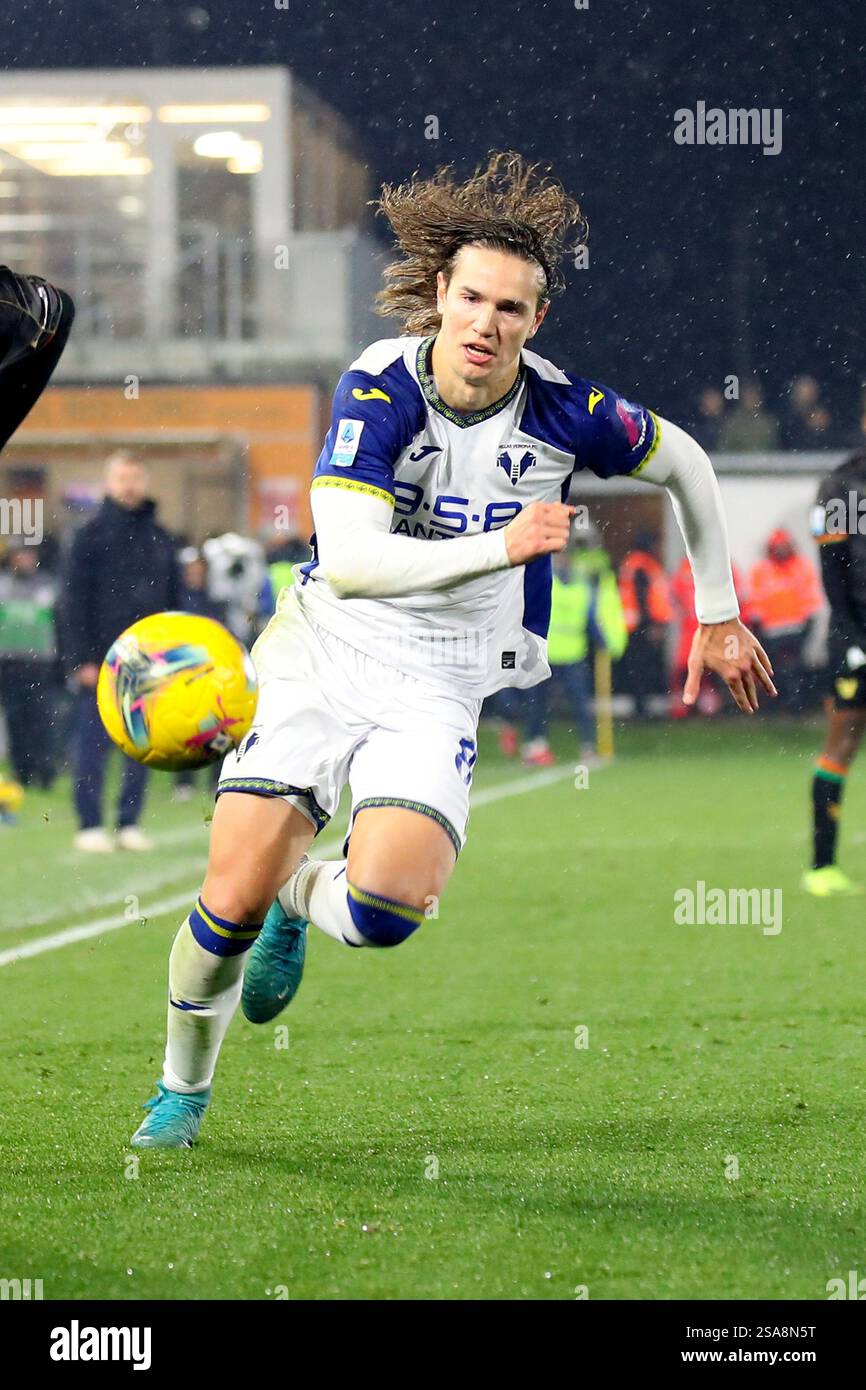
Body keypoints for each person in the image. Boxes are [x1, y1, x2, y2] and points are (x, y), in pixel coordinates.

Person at [129, 150, 775, 1149]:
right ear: (438, 295)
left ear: (534, 321)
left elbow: (684, 460)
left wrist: (716, 611)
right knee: (226, 900)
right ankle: (181, 1089)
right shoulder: (378, 390)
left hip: (440, 682)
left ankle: (307, 889)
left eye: (510, 309)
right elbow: (346, 560)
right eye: (470, 298)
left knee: (387, 908)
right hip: (326, 651)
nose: (485, 323)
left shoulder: (568, 411)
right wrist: (503, 543)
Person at [59, 453, 183, 852]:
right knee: (91, 747)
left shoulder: (161, 538)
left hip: (150, 662)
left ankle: (129, 822)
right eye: (120, 478)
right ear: (108, 483)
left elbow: (175, 602)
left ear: (144, 482)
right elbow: (72, 601)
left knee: (142, 747)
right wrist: (81, 659)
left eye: (134, 477)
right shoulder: (89, 535)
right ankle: (89, 824)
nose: (128, 485)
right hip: (99, 661)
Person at [803, 451, 866, 895]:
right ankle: (822, 867)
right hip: (855, 638)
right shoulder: (840, 486)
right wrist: (851, 637)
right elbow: (833, 575)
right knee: (842, 743)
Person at [515, 531, 627, 767]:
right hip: (545, 655)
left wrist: (601, 640)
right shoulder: (548, 584)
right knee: (538, 705)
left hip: (572, 655)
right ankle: (535, 745)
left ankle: (587, 746)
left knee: (580, 704)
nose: (563, 561)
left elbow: (589, 620)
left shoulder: (581, 588)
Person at [0, 542, 60, 788]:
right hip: (10, 663)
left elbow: (62, 624)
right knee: (15, 720)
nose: (24, 560)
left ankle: (44, 770)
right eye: (19, 555)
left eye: (28, 555)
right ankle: (21, 771)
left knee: (42, 719)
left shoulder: (48, 586)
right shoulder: (3, 585)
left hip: (40, 665)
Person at [748, 529, 822, 713]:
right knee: (772, 671)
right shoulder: (761, 571)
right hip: (770, 632)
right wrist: (758, 630)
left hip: (797, 630)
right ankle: (775, 705)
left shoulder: (801, 567)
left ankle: (798, 705)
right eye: (777, 547)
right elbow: (755, 602)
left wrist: (808, 627)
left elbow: (810, 600)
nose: (780, 551)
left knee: (797, 670)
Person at [618, 532, 672, 717]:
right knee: (642, 667)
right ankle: (642, 707)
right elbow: (642, 597)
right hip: (642, 626)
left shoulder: (634, 563)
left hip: (635, 624)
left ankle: (641, 705)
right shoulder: (642, 565)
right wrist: (650, 625)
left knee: (638, 666)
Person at [718, 381, 780, 452]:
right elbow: (724, 448)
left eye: (754, 395)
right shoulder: (732, 422)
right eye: (748, 395)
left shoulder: (768, 422)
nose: (751, 399)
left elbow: (775, 448)